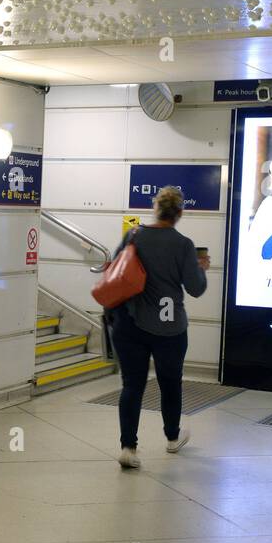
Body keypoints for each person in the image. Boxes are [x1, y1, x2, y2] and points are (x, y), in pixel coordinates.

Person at [106, 187, 208, 469]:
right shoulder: (184, 244)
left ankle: (128, 447)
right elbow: (196, 288)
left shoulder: (134, 235)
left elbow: (115, 270)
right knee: (170, 382)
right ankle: (172, 438)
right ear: (179, 213)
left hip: (130, 324)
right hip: (170, 329)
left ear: (156, 208)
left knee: (132, 385)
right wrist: (201, 268)